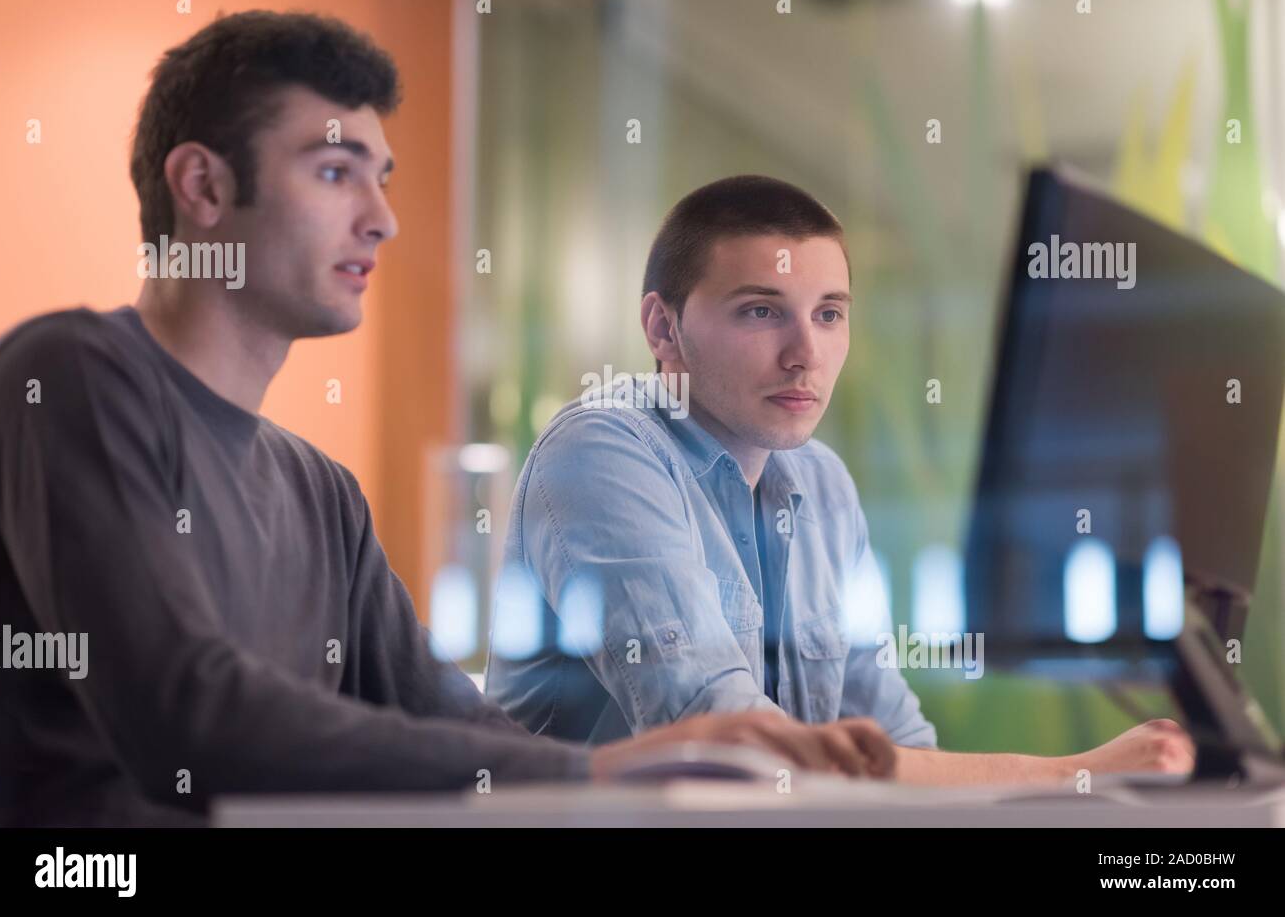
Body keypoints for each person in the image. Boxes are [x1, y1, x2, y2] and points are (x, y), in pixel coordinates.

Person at [0, 15, 894, 827]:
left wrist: (611, 775)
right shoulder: (70, 375)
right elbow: (187, 713)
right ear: (203, 187)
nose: (380, 219)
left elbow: (451, 722)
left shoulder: (318, 493)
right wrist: (599, 767)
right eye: (336, 171)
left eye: (382, 179)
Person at [485, 174, 1196, 785]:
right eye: (761, 311)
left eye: (829, 314)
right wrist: (1076, 775)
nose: (806, 355)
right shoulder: (601, 450)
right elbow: (728, 746)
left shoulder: (820, 485)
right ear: (663, 328)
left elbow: (896, 746)